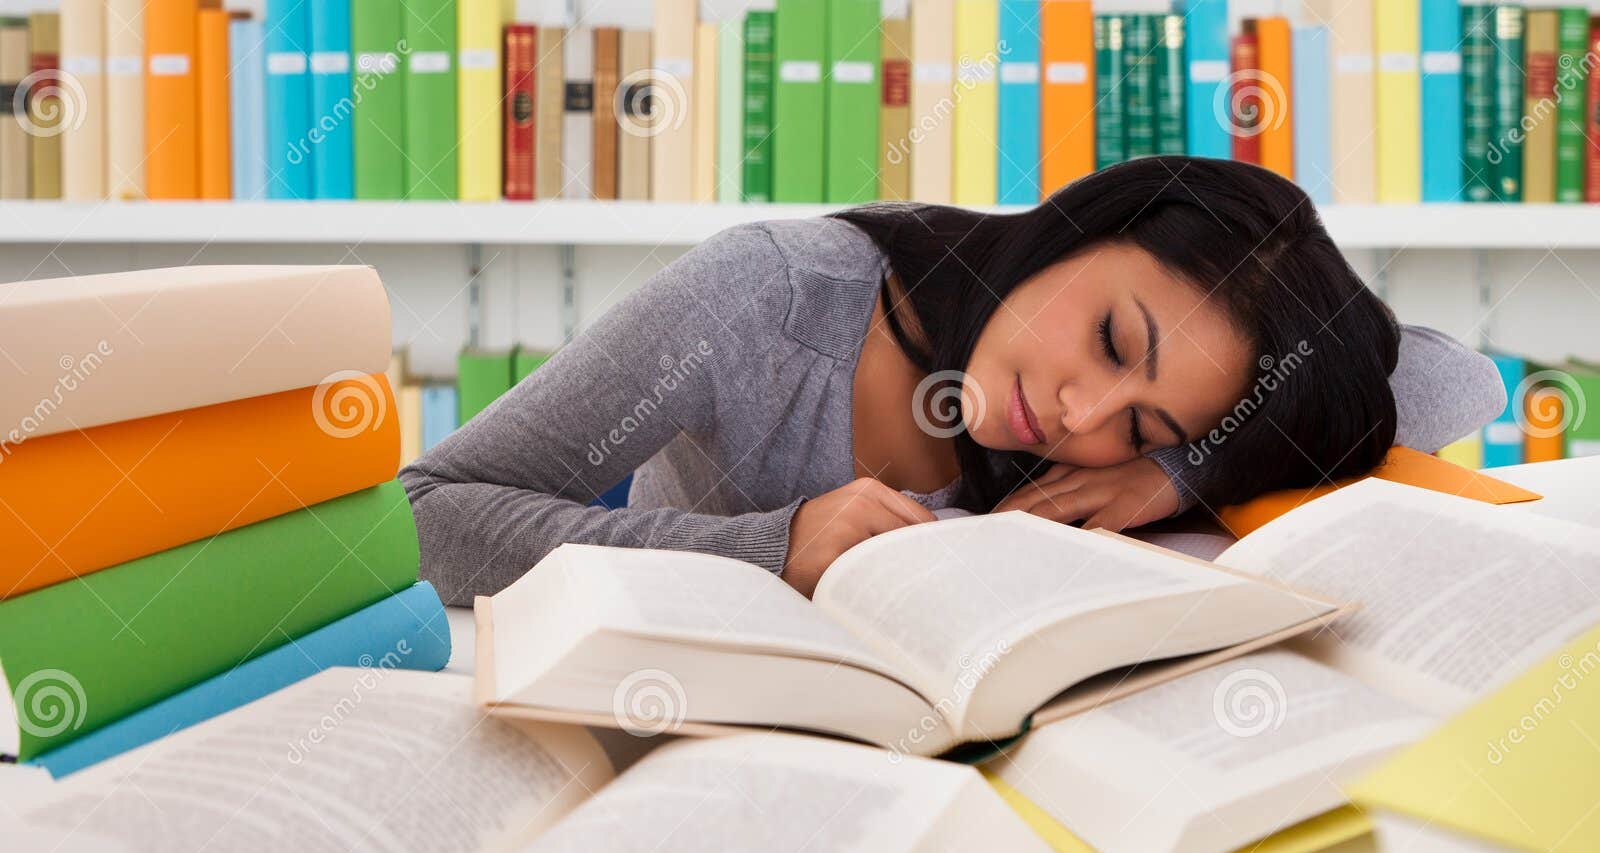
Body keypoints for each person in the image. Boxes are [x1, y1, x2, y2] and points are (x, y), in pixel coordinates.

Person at [402, 157, 1504, 602]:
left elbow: (1465, 382)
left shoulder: (1135, 448)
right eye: (1115, 343)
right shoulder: (765, 296)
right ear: (1080, 227)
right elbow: (421, 517)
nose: (1081, 416)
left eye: (1144, 420)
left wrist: (1177, 469)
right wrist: (764, 547)